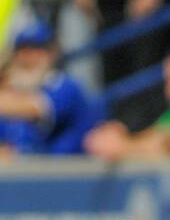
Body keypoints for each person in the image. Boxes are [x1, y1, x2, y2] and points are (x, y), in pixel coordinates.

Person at [0, 19, 102, 153]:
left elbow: (33, 107)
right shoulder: (14, 90)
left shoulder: (64, 85)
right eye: (23, 50)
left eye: (37, 50)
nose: (29, 58)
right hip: (26, 170)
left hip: (71, 169)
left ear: (52, 53)